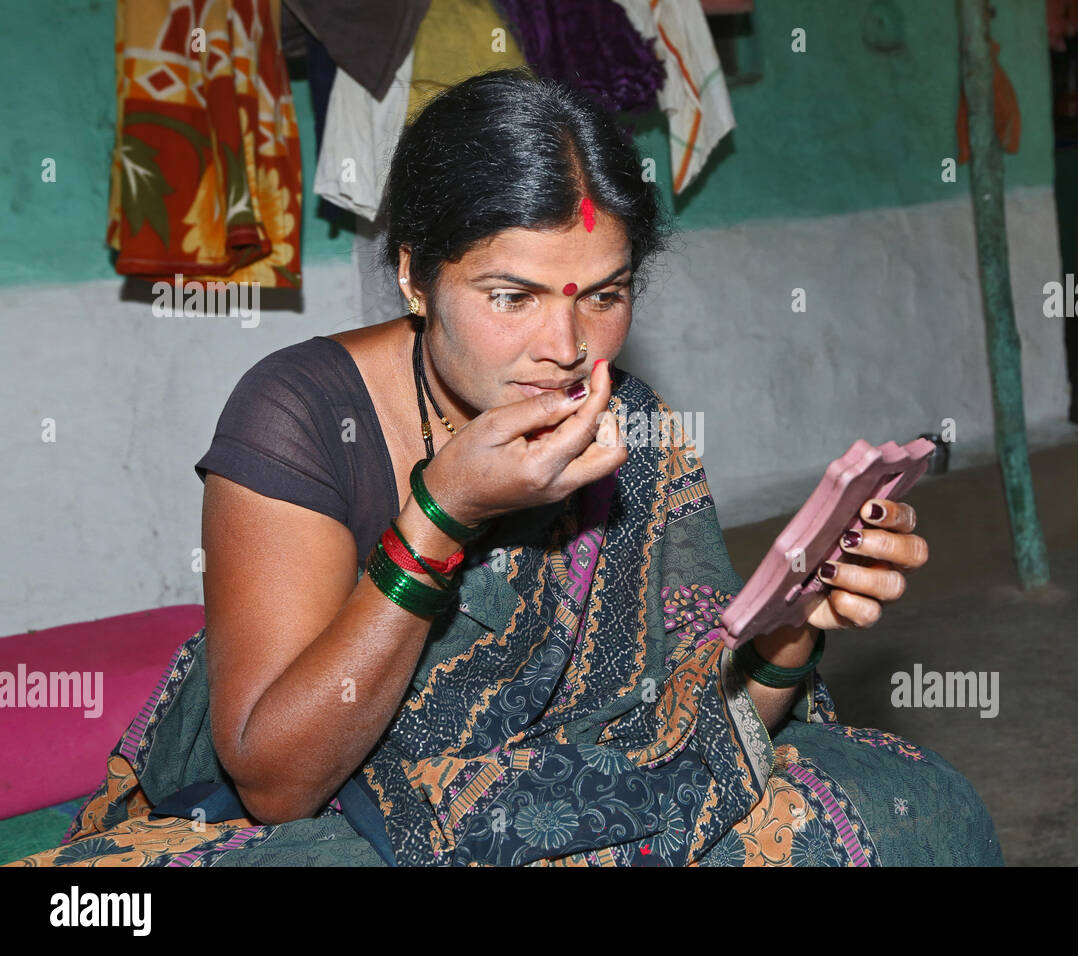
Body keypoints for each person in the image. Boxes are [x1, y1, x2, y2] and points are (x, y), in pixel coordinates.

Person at [7, 68, 1002, 867]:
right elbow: (277, 780)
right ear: (413, 273)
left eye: (604, 294)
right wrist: (437, 515)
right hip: (337, 800)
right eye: (510, 294)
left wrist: (791, 624)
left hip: (573, 782)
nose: (566, 346)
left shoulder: (633, 425)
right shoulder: (299, 415)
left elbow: (704, 729)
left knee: (907, 806)